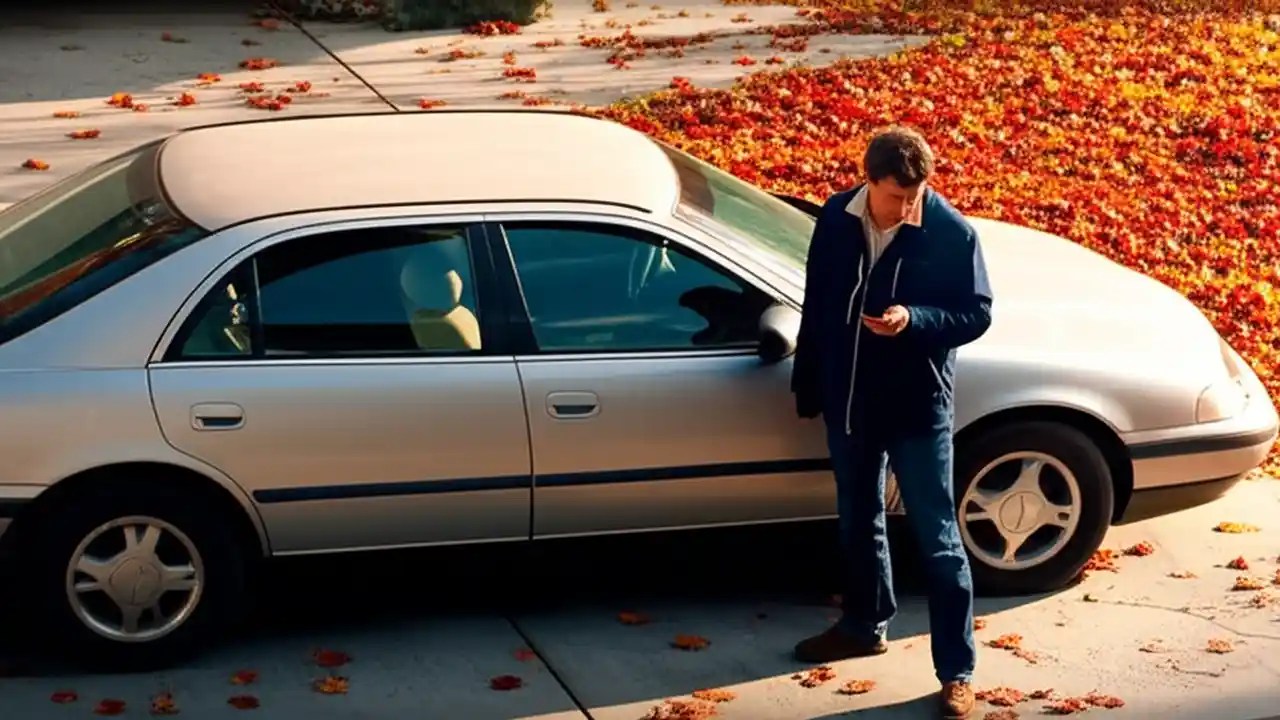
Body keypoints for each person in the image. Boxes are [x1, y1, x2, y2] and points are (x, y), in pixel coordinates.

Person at [789, 126, 994, 720]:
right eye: (893, 197)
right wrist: (809, 382)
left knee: (937, 538)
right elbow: (818, 301)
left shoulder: (952, 233)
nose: (905, 208)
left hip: (917, 408)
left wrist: (918, 319)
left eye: (915, 195)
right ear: (867, 179)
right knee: (857, 518)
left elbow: (976, 313)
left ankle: (956, 670)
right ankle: (862, 624)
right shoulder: (834, 218)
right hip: (850, 404)